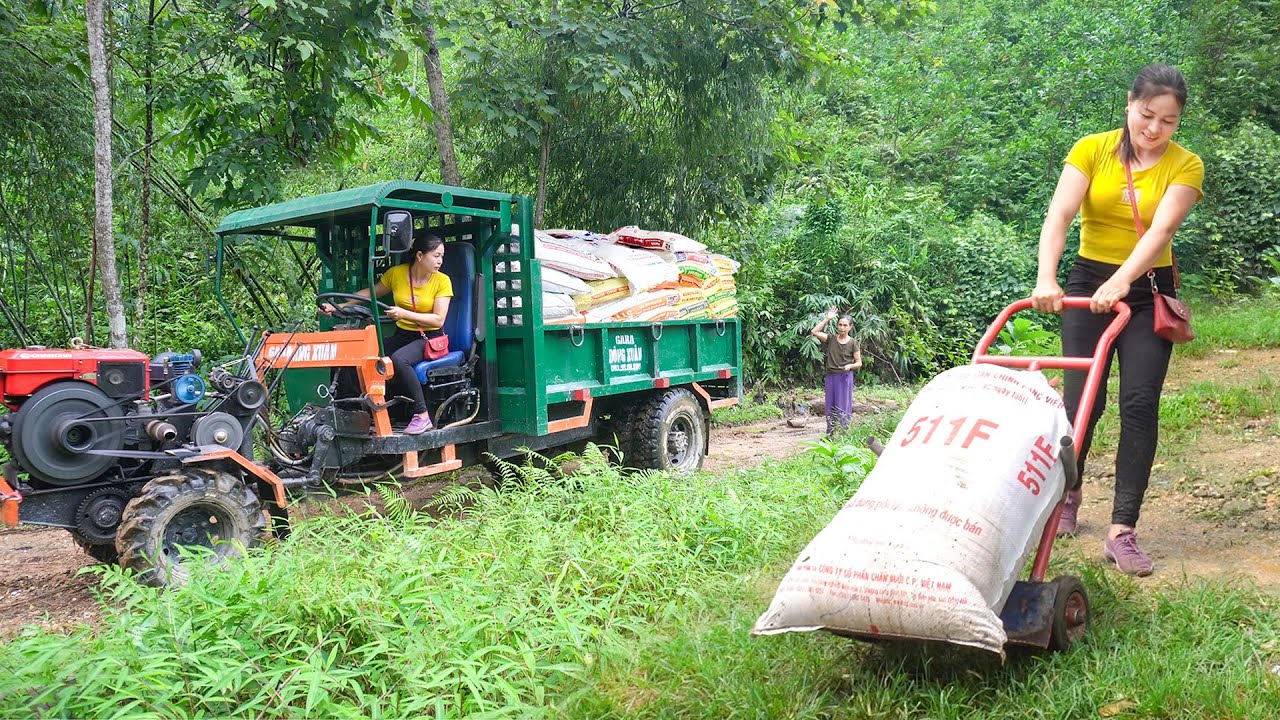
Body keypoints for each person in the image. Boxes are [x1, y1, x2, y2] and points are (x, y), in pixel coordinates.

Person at [1031, 63, 1203, 576]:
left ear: (1178, 123)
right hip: (1087, 283)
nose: (1153, 129)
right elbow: (1059, 216)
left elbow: (1160, 231)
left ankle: (1122, 529)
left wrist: (1124, 279)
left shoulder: (1186, 166)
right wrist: (1047, 277)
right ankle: (1067, 496)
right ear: (1129, 103)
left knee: (1139, 401)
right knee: (1081, 399)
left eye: (1167, 122)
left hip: (1149, 288)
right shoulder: (1092, 149)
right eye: (1146, 115)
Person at [321, 234, 452, 435]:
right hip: (403, 335)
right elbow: (371, 293)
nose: (440, 261)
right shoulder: (397, 274)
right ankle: (349, 411)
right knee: (360, 354)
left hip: (429, 338)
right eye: (436, 256)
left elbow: (438, 320)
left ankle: (422, 415)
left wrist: (404, 313)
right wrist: (340, 306)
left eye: (442, 256)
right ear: (419, 255)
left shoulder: (442, 281)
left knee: (400, 359)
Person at [811, 307, 863, 436]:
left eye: (845, 325)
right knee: (831, 405)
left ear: (850, 327)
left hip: (845, 377)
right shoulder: (831, 338)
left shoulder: (853, 343)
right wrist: (827, 318)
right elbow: (814, 331)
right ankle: (831, 433)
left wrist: (850, 366)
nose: (842, 327)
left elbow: (859, 362)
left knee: (843, 404)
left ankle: (844, 433)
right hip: (831, 376)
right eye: (840, 324)